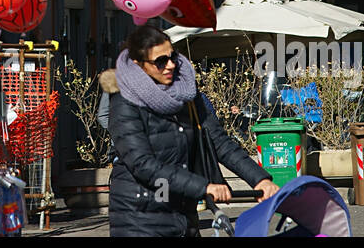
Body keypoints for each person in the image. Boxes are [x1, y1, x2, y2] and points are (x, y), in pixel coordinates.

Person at [107, 25, 278, 237]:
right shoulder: (125, 102)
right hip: (139, 218)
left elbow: (219, 142)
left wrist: (259, 179)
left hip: (182, 213)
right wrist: (204, 187)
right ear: (138, 65)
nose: (170, 65)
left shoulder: (186, 94)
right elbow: (143, 164)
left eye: (173, 57)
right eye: (160, 61)